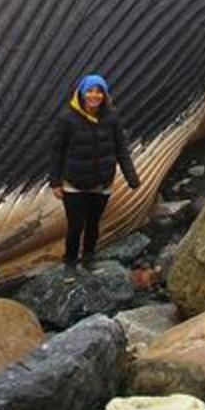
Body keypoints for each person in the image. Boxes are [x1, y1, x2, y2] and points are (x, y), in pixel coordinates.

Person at [50, 74, 140, 273]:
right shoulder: (67, 119)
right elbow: (57, 151)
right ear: (82, 93)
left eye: (99, 91)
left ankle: (89, 258)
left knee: (93, 224)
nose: (94, 95)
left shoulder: (111, 117)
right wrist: (55, 182)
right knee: (75, 226)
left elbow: (120, 149)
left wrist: (131, 177)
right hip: (75, 183)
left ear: (104, 95)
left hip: (102, 183)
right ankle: (70, 263)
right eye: (90, 91)